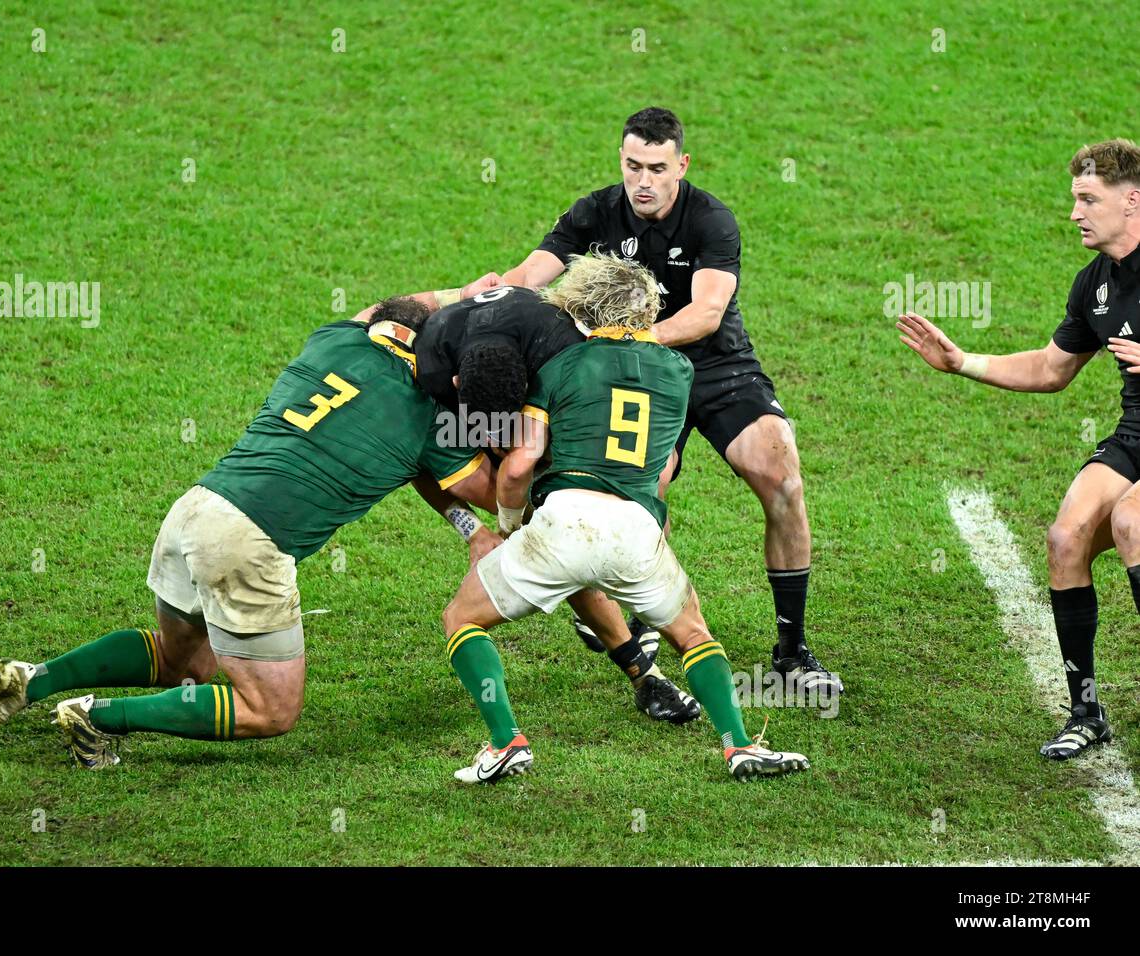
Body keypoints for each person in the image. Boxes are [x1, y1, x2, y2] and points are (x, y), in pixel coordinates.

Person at [0, 296, 496, 768]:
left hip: (197, 510)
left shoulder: (335, 340)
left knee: (183, 663)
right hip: (249, 546)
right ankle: (95, 717)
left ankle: (32, 680)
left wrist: (470, 294)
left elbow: (396, 315)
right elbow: (496, 489)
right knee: (270, 710)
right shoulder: (429, 414)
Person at [488, 106, 839, 697]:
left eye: (656, 167)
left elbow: (704, 315)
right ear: (620, 162)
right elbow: (533, 272)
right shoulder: (593, 212)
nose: (643, 181)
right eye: (632, 166)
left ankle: (791, 646)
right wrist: (491, 297)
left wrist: (627, 335)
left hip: (713, 363)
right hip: (632, 371)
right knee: (643, 486)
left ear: (682, 164)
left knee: (780, 473)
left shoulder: (711, 221)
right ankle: (646, 618)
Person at [442, 254, 810, 783]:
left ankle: (506, 743)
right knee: (693, 634)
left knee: (463, 619)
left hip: (564, 521)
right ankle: (738, 745)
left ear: (583, 308)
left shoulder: (562, 365)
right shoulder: (680, 371)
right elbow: (659, 462)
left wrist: (506, 524)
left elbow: (520, 464)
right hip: (637, 529)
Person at [897, 138, 1140, 759]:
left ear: (1132, 201)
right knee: (1066, 538)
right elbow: (1051, 369)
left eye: (1089, 200)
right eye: (1074, 199)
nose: (1075, 213)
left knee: (1133, 520)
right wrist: (960, 362)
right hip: (1137, 437)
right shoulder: (1097, 284)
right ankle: (1085, 710)